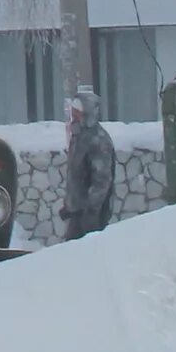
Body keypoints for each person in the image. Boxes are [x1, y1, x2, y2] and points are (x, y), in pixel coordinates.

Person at [63, 84, 116, 240]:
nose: (73, 115)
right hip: (77, 213)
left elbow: (102, 180)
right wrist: (69, 204)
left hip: (91, 217)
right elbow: (75, 173)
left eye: (77, 112)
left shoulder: (98, 141)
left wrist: (90, 211)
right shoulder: (78, 137)